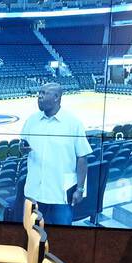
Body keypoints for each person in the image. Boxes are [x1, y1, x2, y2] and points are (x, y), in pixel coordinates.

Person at [21, 82, 91, 225]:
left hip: (61, 196)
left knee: (62, 237)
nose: (39, 96)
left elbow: (82, 158)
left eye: (44, 93)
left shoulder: (73, 123)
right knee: (32, 235)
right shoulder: (31, 120)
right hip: (34, 192)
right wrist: (22, 148)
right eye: (39, 93)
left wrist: (80, 189)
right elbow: (22, 146)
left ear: (56, 97)